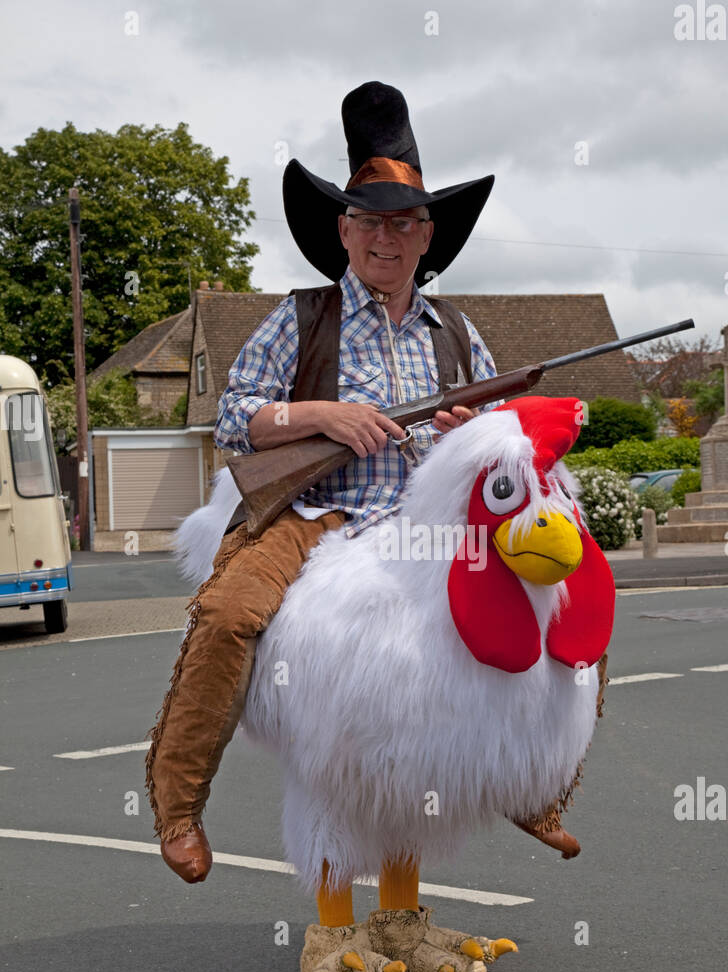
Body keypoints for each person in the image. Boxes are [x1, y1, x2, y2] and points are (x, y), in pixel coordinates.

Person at [145, 81, 496, 883]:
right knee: (229, 614)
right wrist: (324, 416)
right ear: (343, 229)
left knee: (556, 579)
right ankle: (178, 805)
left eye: (403, 220)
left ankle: (538, 784)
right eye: (370, 219)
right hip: (313, 514)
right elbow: (236, 418)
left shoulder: (460, 333)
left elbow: (496, 436)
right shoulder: (301, 317)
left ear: (427, 234)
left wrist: (465, 435)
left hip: (421, 521)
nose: (387, 236)